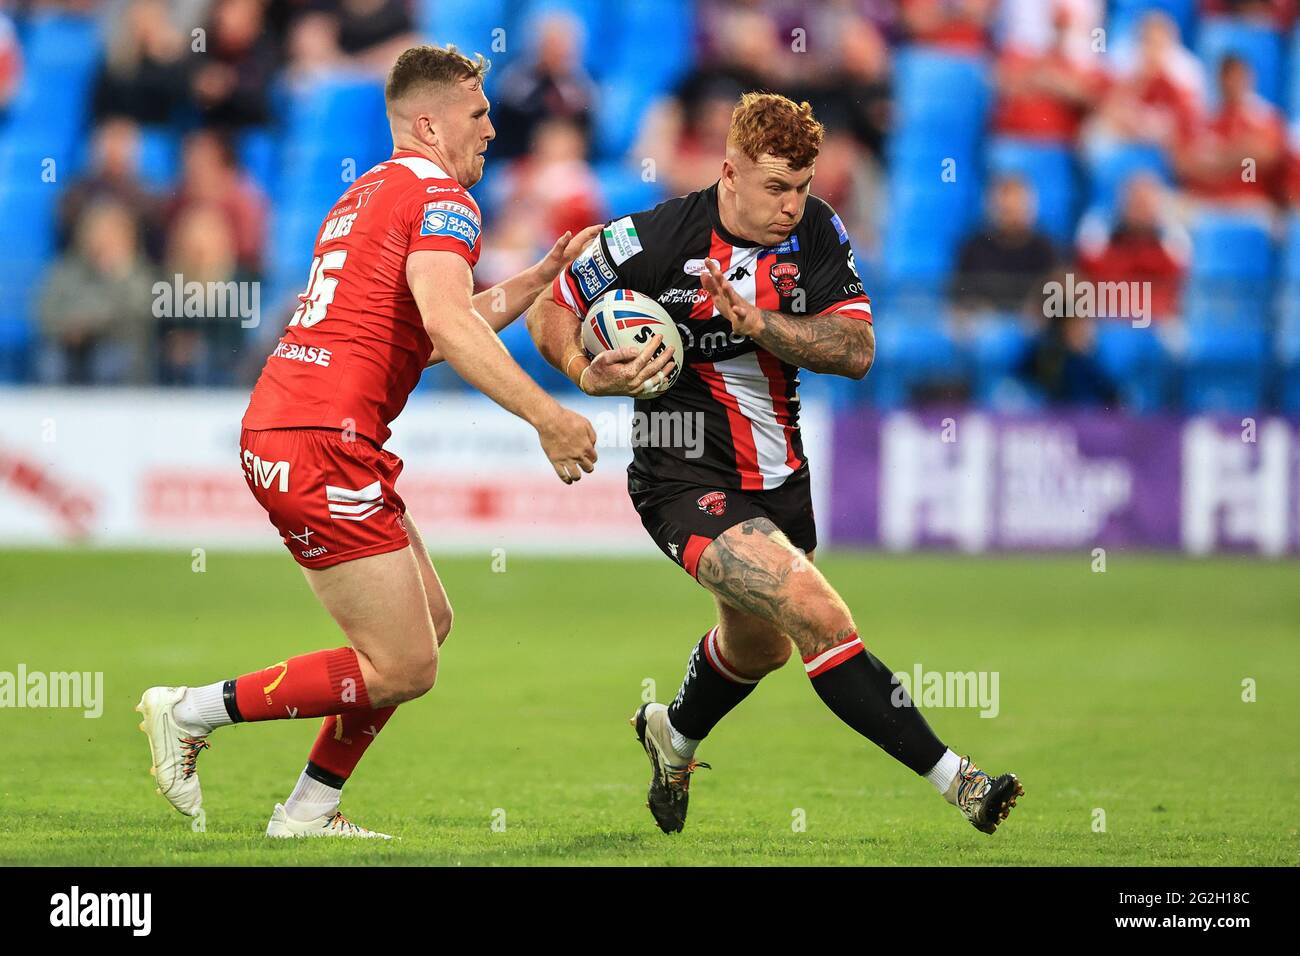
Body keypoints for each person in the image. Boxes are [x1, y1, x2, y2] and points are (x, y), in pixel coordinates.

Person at [136, 45, 601, 838]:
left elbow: (420, 328)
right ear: (429, 122)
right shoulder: (447, 200)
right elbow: (449, 327)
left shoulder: (367, 194)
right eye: (479, 115)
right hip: (320, 440)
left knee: (429, 625)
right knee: (405, 666)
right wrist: (548, 417)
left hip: (299, 426)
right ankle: (190, 712)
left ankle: (310, 808)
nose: (494, 128)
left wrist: (532, 281)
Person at [527, 92, 1023, 836]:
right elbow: (550, 308)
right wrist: (580, 365)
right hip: (681, 476)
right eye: (774, 188)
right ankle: (962, 782)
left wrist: (761, 323)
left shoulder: (817, 232)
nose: (792, 204)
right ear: (729, 173)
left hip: (779, 480)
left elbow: (857, 352)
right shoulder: (650, 239)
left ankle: (673, 735)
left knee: (759, 649)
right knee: (821, 617)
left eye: (802, 186)